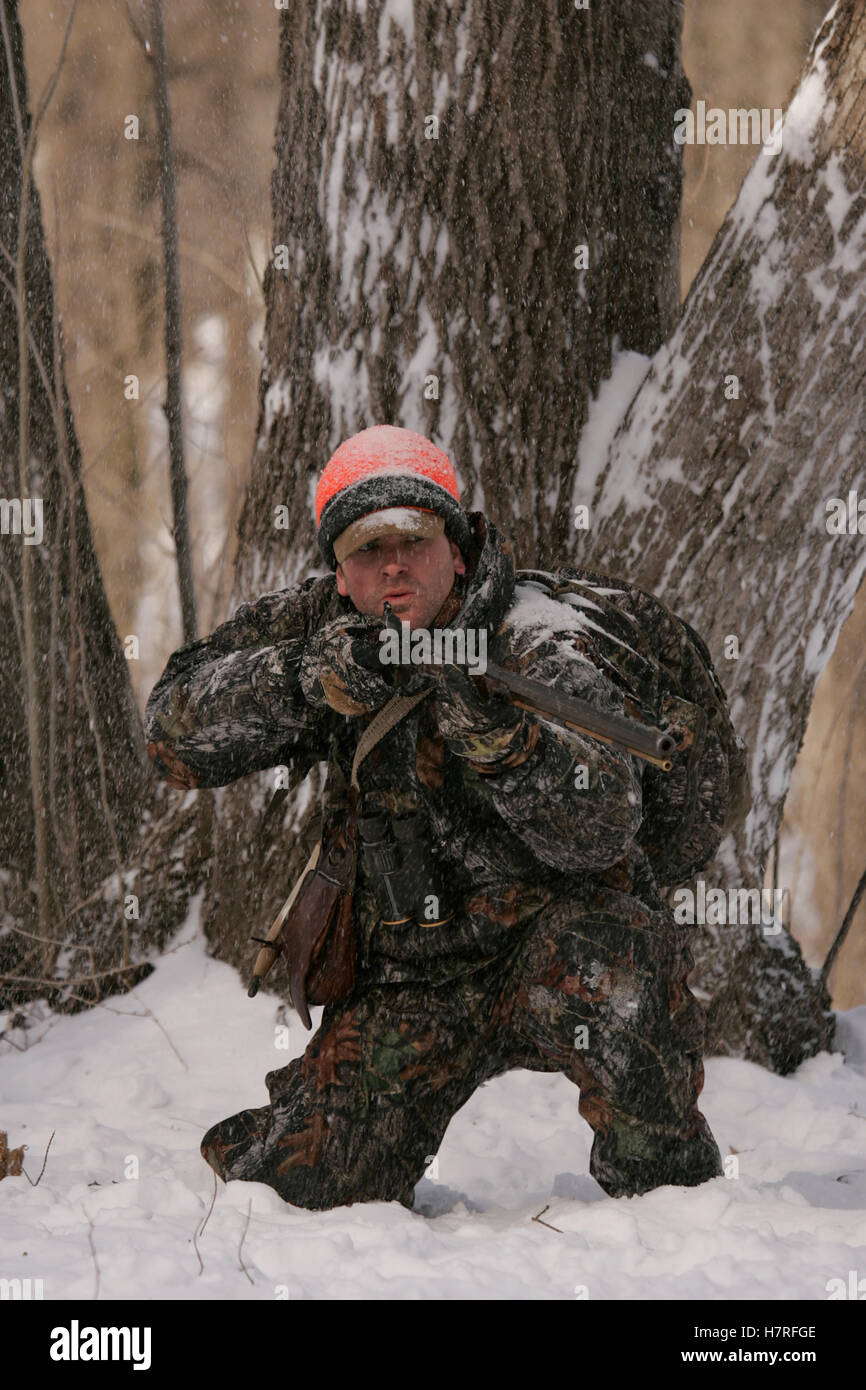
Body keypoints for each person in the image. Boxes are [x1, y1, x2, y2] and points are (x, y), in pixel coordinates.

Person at [145, 424, 724, 1211]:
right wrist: (303, 679)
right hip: (413, 980)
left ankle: (677, 1204)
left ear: (456, 549)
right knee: (302, 1187)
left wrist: (505, 745)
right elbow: (172, 732)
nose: (391, 564)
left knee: (616, 975)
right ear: (339, 574)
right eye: (364, 547)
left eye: (413, 540)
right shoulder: (326, 627)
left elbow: (604, 825)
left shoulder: (544, 639)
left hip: (556, 949)